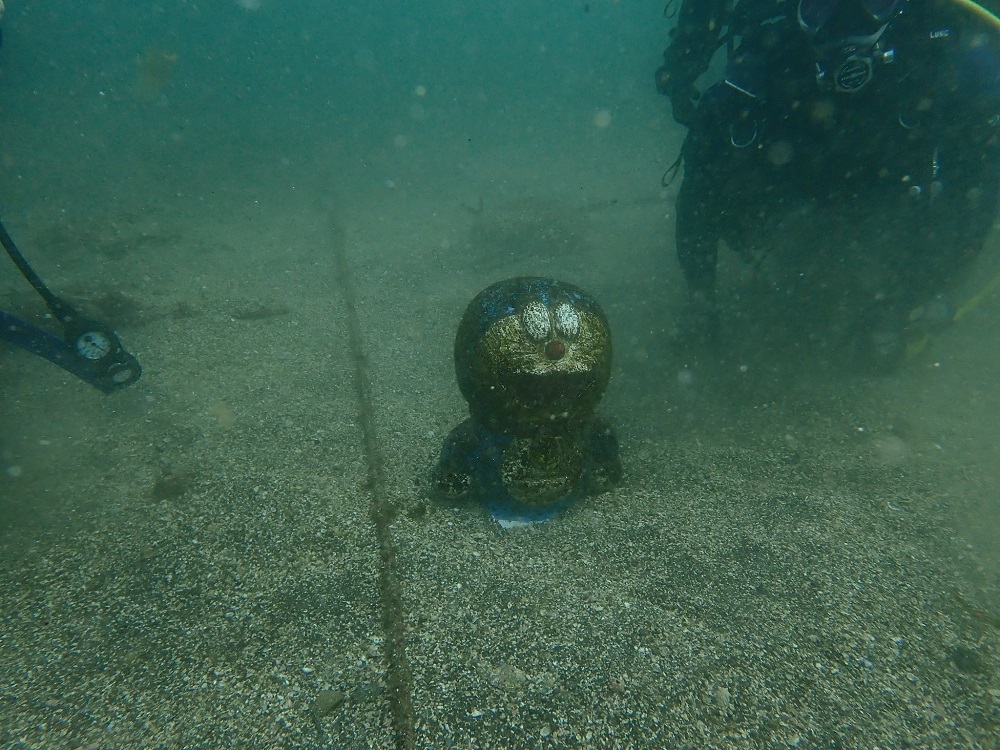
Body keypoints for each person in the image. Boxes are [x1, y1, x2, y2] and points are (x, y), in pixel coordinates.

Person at [656, 0, 1000, 363]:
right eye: (824, 5)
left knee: (974, 151)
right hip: (791, 166)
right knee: (710, 146)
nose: (849, 24)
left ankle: (896, 292)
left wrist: (921, 296)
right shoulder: (769, 45)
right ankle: (707, 301)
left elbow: (979, 165)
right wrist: (682, 69)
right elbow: (704, 168)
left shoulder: (935, 38)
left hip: (883, 178)